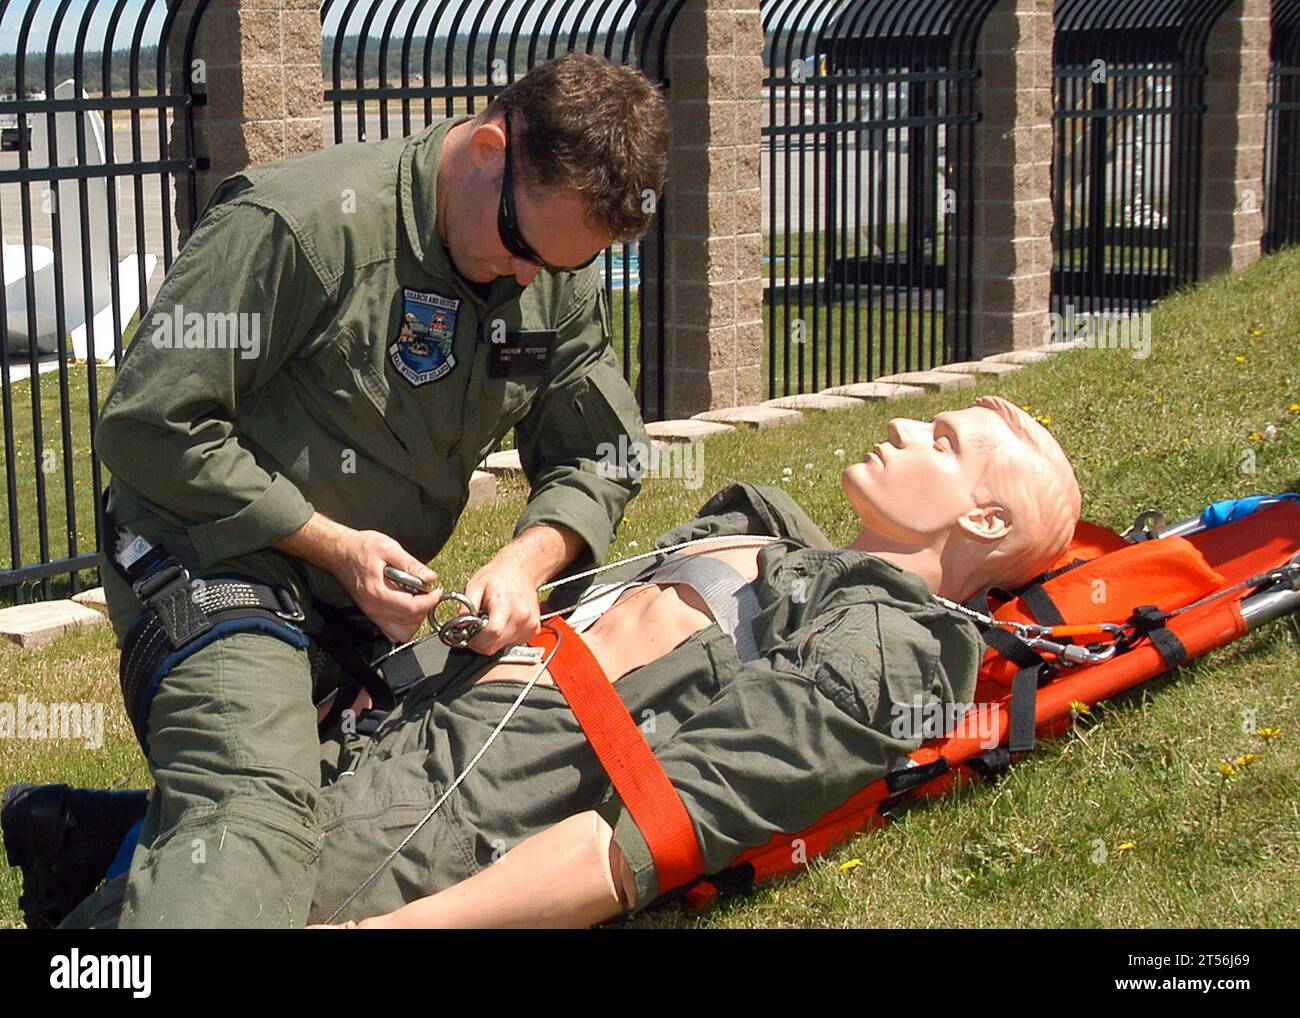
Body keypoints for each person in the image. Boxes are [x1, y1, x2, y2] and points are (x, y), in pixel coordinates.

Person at [20, 396, 1081, 928]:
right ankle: (92, 836)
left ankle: (92, 848)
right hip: (381, 741)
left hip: (424, 824)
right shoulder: (779, 538)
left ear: (984, 517)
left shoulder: (889, 648)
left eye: (943, 441)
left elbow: (632, 846)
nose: (905, 427)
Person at [87, 53, 666, 927]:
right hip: (209, 553)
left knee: (395, 788)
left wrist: (525, 558)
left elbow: (606, 453)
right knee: (254, 808)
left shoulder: (549, 269)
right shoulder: (299, 224)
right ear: (487, 148)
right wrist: (332, 542)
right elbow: (147, 423)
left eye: (555, 266)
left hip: (349, 604)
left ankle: (83, 852)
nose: (525, 282)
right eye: (520, 247)